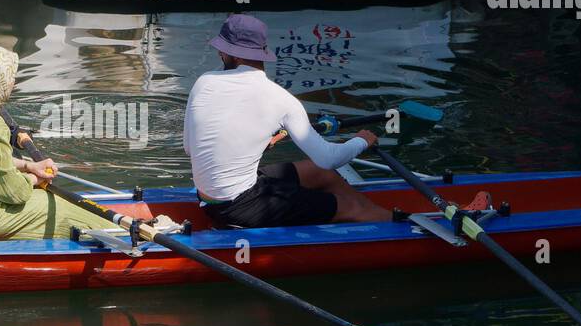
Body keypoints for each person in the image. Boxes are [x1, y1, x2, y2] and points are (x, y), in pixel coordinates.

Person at [184, 14, 489, 230]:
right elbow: (330, 158)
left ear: (225, 53)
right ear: (262, 53)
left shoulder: (203, 82)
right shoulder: (279, 98)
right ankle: (403, 225)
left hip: (211, 198)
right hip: (241, 207)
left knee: (319, 174)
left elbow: (191, 147)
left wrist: (256, 138)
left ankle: (381, 215)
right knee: (342, 194)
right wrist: (362, 141)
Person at [0, 44, 123, 244]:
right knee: (50, 204)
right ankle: (125, 235)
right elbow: (12, 193)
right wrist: (36, 179)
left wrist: (29, 166)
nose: (13, 82)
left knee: (37, 195)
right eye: (9, 75)